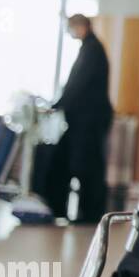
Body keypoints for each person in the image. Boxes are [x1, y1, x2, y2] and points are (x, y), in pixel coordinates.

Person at [45, 15, 114, 224]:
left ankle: (89, 215)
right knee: (75, 165)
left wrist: (59, 104)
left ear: (81, 27)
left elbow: (78, 82)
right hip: (85, 120)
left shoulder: (92, 50)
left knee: (86, 168)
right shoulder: (90, 48)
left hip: (89, 121)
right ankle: (67, 211)